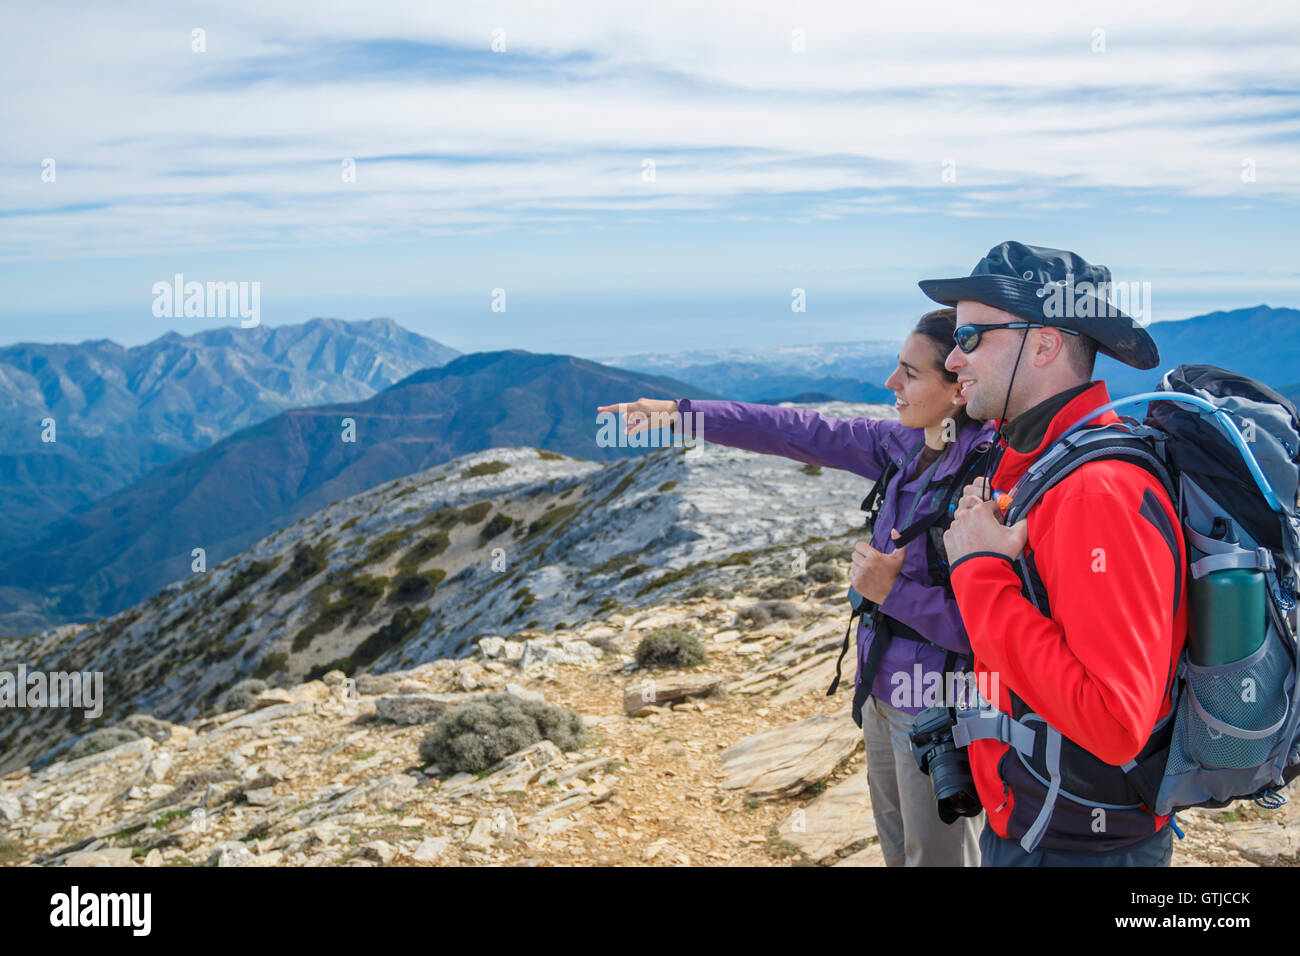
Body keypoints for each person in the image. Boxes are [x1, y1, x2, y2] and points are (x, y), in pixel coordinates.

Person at [598, 308, 993, 866]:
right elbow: (795, 431)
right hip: (880, 684)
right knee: (900, 847)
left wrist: (892, 592)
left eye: (910, 372)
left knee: (939, 856)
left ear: (958, 387)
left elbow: (990, 625)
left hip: (939, 703)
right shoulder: (902, 445)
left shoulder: (988, 475)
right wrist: (679, 413)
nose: (891, 383)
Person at [921, 240, 1188, 866]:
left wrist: (980, 572)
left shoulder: (1096, 490)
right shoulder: (1046, 467)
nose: (954, 357)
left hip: (1073, 848)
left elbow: (1115, 723)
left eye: (970, 335)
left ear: (1043, 345)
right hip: (1047, 826)